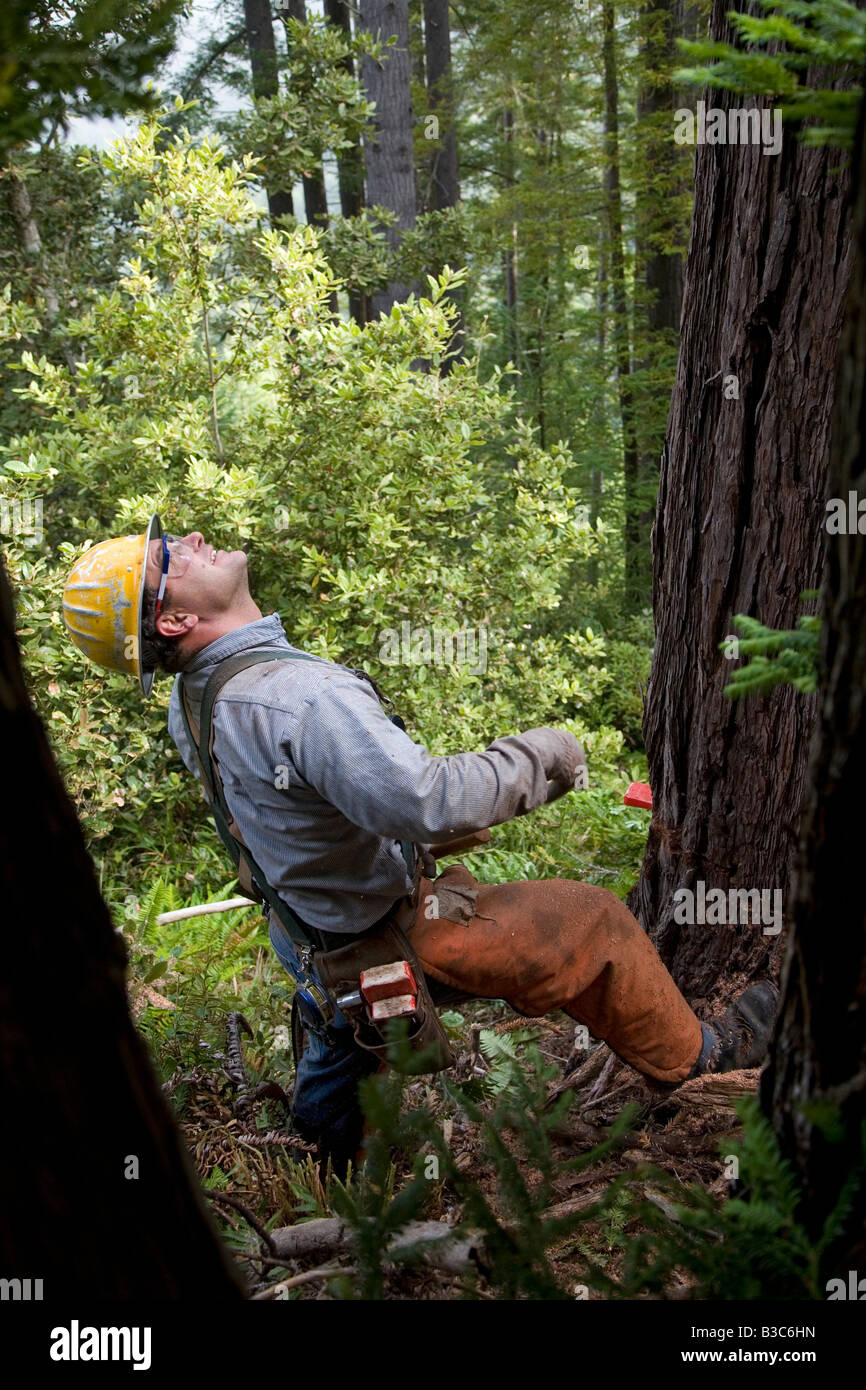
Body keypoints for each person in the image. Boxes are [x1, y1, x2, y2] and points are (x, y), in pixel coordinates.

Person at [62, 516, 779, 1172]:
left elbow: (294, 806)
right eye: (167, 555)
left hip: (311, 933)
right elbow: (428, 800)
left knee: (344, 1046)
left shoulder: (195, 699)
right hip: (385, 934)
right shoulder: (294, 696)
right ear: (177, 616)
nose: (188, 540)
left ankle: (320, 1160)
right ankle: (701, 1060)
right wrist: (546, 755)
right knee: (593, 922)